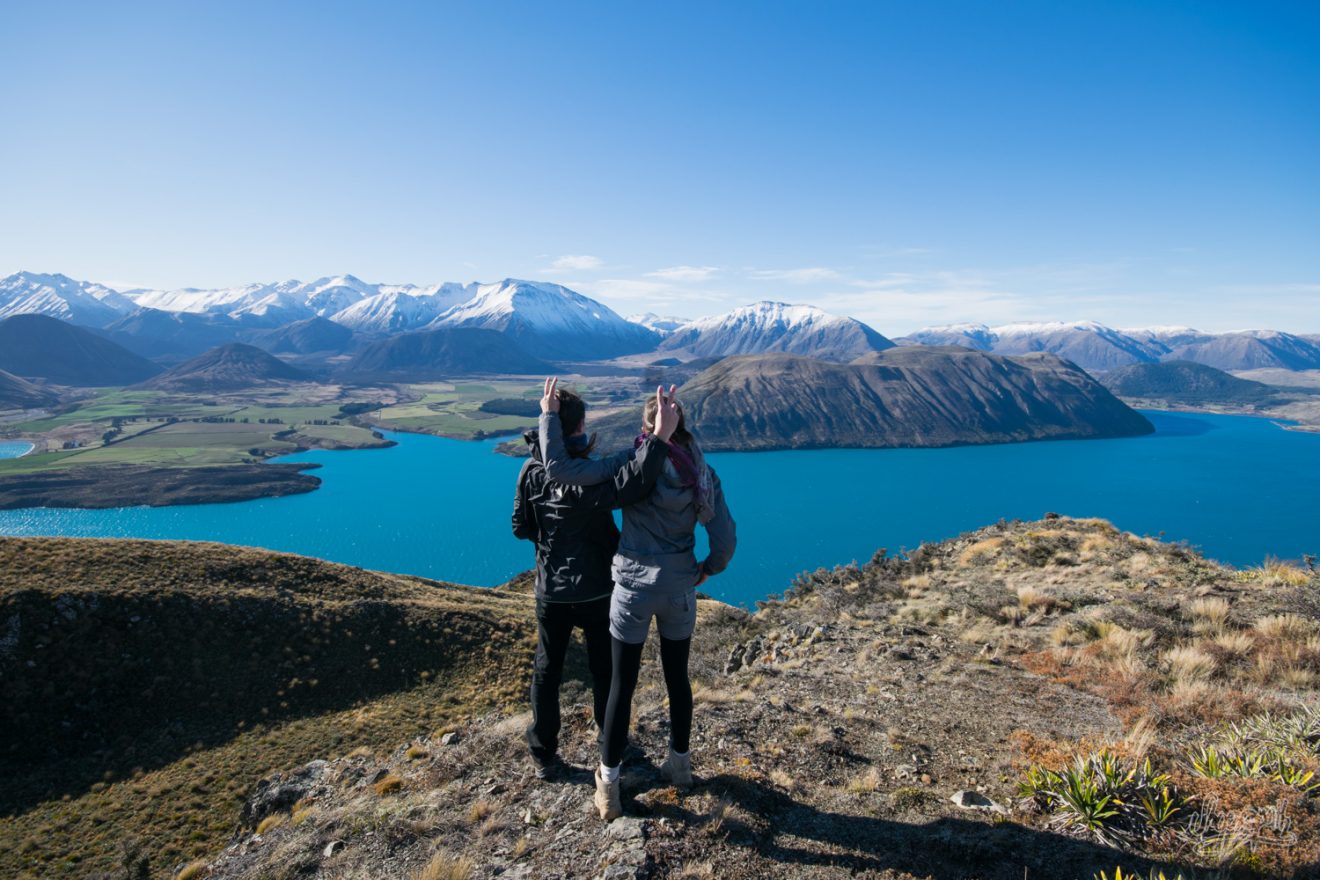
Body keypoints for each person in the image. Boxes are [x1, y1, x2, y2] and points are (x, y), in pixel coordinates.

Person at [538, 382, 736, 821]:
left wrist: (550, 416)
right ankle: (679, 767)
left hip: (630, 589)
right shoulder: (701, 473)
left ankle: (608, 788)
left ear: (646, 429)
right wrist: (707, 569)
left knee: (621, 687)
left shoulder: (631, 465)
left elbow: (561, 469)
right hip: (679, 587)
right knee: (677, 679)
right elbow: (724, 539)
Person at [512, 381, 678, 780]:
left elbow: (520, 526)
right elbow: (635, 484)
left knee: (547, 671)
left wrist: (549, 543)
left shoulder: (530, 471)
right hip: (598, 589)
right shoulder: (590, 475)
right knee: (605, 670)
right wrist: (659, 439)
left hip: (550, 589)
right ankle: (612, 743)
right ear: (579, 426)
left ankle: (543, 753)